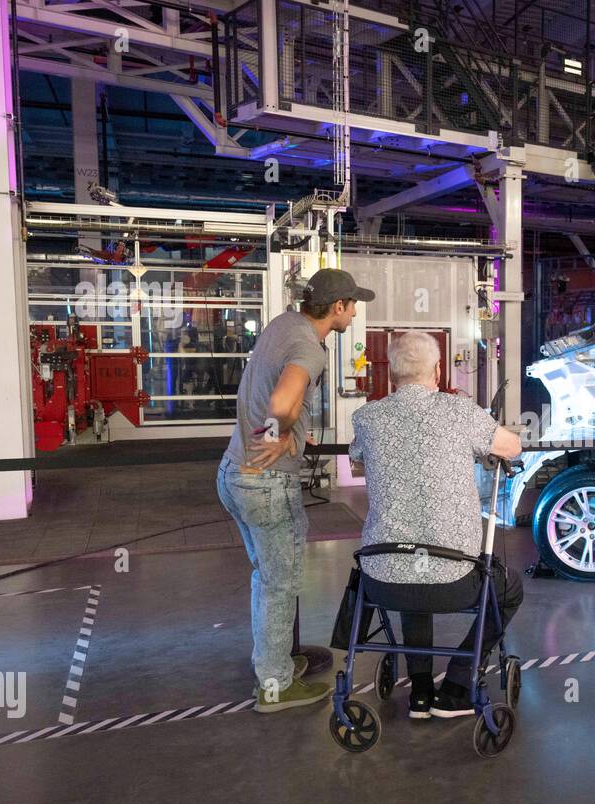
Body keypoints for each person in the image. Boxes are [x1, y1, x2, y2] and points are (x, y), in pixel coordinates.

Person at [218, 268, 375, 713]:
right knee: (280, 585)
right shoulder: (309, 346)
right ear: (338, 307)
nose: (355, 311)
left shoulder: (285, 324)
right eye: (353, 304)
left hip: (233, 472)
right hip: (265, 483)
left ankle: (279, 660)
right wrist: (274, 433)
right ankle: (275, 686)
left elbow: (263, 388)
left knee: (266, 578)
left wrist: (291, 431)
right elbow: (281, 403)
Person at [349, 330, 524, 720]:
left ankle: (421, 693)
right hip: (454, 581)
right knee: (509, 586)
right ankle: (458, 685)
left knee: (409, 566)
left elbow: (357, 461)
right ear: (439, 369)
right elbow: (512, 447)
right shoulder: (460, 413)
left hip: (382, 578)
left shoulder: (367, 417)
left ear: (391, 373)